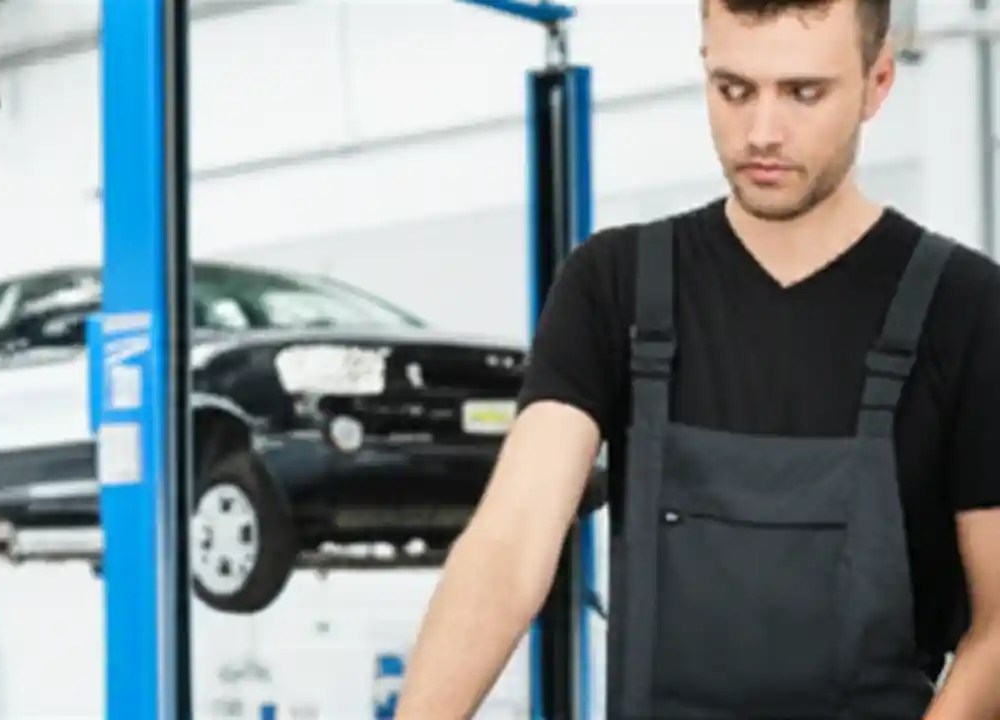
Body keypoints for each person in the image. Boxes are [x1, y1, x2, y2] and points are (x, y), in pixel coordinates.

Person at [394, 0, 1000, 716]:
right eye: (733, 89)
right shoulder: (613, 285)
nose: (762, 133)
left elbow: (997, 624)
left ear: (878, 83)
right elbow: (508, 548)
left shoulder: (966, 308)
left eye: (804, 92)